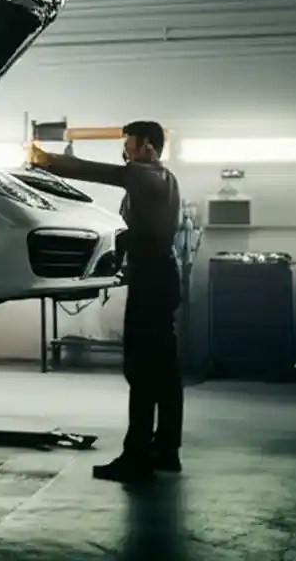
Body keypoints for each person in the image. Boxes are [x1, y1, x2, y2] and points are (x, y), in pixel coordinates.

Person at [30, 121, 183, 482]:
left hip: (152, 282)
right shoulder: (164, 179)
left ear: (148, 146)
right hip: (159, 277)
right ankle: (166, 450)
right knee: (163, 370)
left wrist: (48, 161)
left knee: (142, 369)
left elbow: (100, 172)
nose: (126, 149)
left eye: (130, 142)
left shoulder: (146, 177)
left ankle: (137, 457)